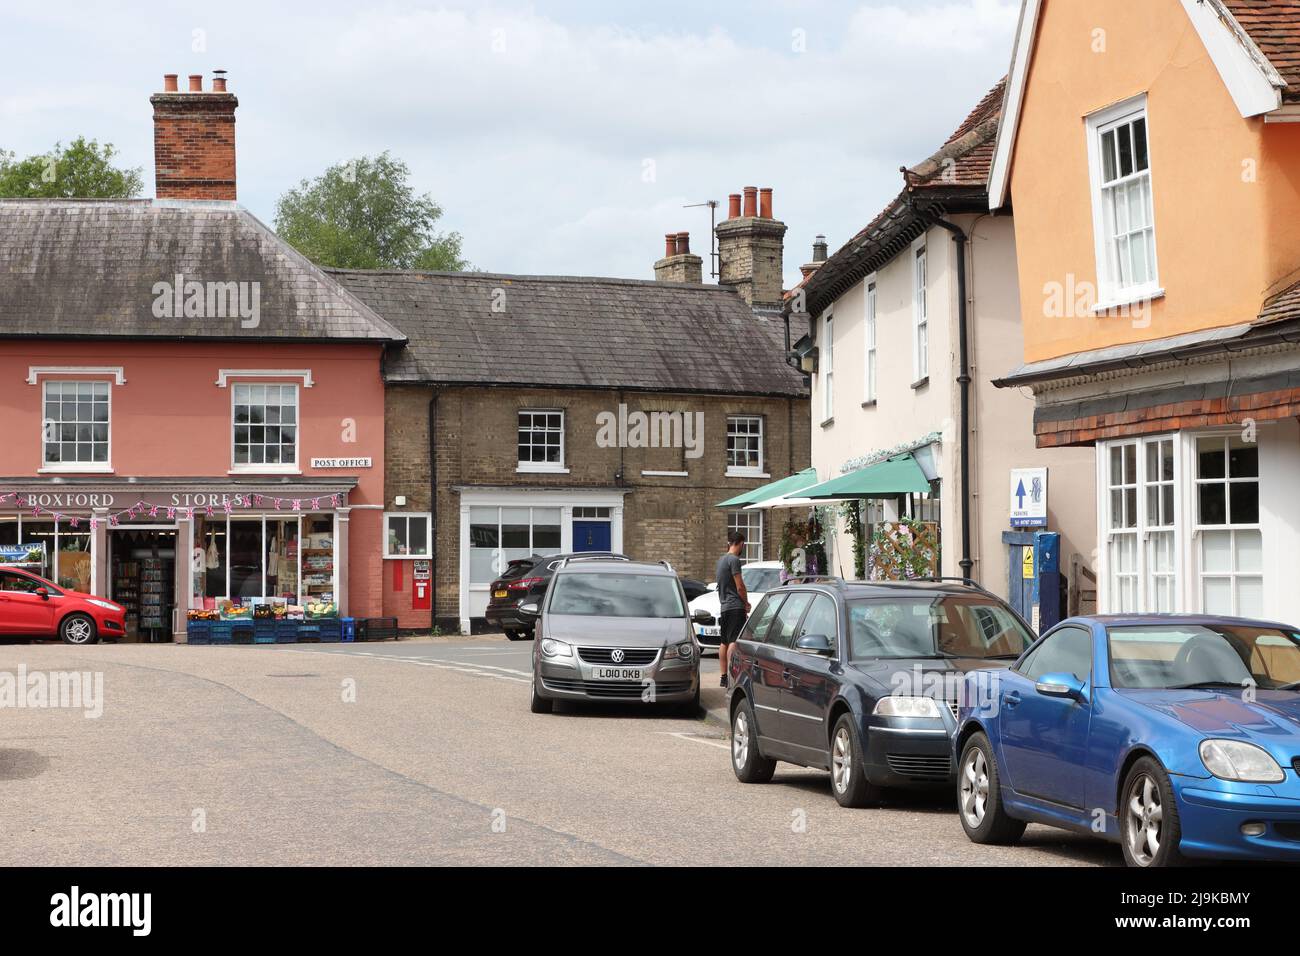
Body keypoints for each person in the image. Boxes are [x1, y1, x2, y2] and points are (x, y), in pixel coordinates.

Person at [715, 531, 750, 689]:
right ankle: (731, 676)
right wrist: (746, 603)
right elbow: (740, 586)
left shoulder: (721, 560)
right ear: (741, 543)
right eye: (743, 544)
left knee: (724, 642)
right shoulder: (734, 560)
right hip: (735, 606)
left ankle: (723, 676)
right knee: (734, 642)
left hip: (724, 607)